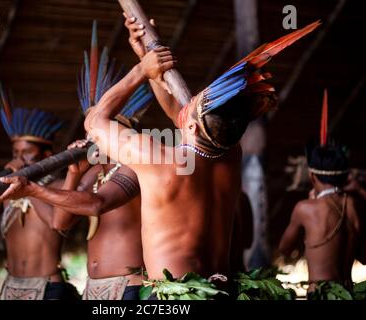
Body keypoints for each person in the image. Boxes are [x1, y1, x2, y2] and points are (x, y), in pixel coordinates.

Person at [82, 19, 319, 300]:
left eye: (191, 104)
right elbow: (182, 118)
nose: (186, 104)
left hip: (177, 298)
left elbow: (94, 122)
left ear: (192, 128)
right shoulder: (230, 154)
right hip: (221, 291)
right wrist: (150, 63)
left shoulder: (158, 161)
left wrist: (140, 71)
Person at [0, 21, 154, 300]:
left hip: (131, 287)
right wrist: (74, 173)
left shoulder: (133, 167)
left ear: (118, 132)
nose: (90, 138)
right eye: (88, 131)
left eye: (96, 131)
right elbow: (61, 223)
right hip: (94, 290)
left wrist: (32, 188)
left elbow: (97, 204)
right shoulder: (95, 174)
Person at [0, 85, 79, 300]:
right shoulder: (5, 193)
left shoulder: (59, 186)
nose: (20, 158)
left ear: (47, 155)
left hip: (49, 288)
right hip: (11, 285)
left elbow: (56, 223)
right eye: (16, 153)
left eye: (27, 153)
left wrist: (27, 189)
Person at [279, 90, 363, 298]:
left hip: (320, 295)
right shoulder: (352, 204)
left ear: (312, 176)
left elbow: (284, 250)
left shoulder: (305, 209)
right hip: (348, 294)